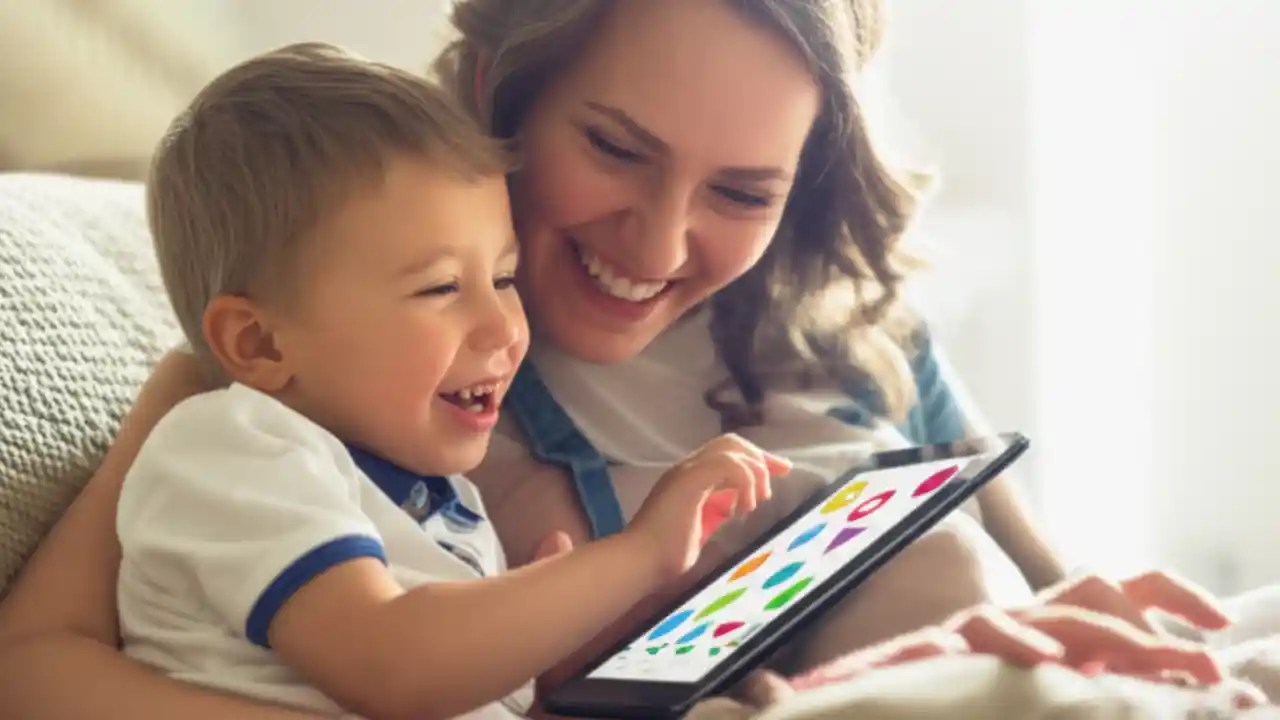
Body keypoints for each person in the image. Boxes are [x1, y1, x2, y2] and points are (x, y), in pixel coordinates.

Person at [0, 1, 1239, 718]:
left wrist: (1062, 630)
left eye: (742, 190)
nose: (657, 242)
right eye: (614, 147)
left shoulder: (846, 323)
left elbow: (1047, 585)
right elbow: (36, 671)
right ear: (505, 89)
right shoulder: (324, 366)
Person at [115, 42, 789, 720]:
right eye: (441, 287)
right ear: (259, 342)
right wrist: (639, 555)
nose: (503, 329)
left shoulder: (437, 502)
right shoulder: (233, 448)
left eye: (502, 278)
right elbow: (394, 667)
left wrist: (537, 619)